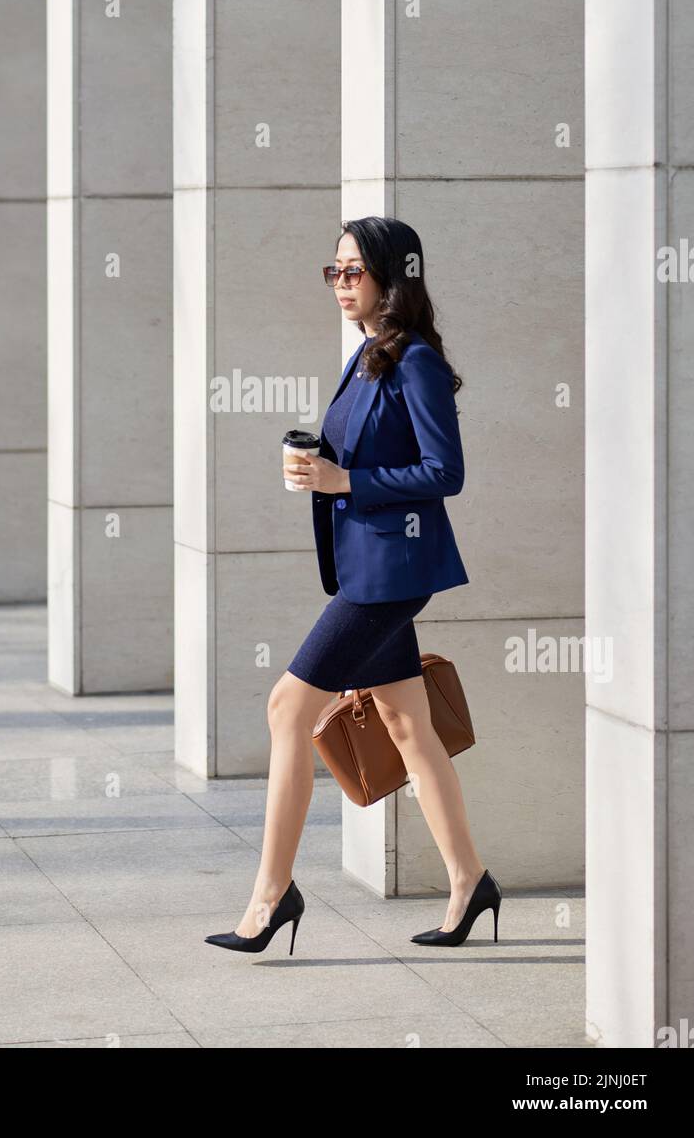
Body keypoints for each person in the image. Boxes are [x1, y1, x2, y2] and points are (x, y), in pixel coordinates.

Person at [205, 217, 501, 954]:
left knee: (286, 706)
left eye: (353, 272)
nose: (340, 285)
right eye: (332, 272)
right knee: (407, 726)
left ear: (390, 277)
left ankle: (272, 896)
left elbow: (446, 474)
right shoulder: (370, 353)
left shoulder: (415, 361)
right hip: (367, 565)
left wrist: (349, 480)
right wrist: (316, 468)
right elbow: (355, 454)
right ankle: (469, 882)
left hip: (389, 576)